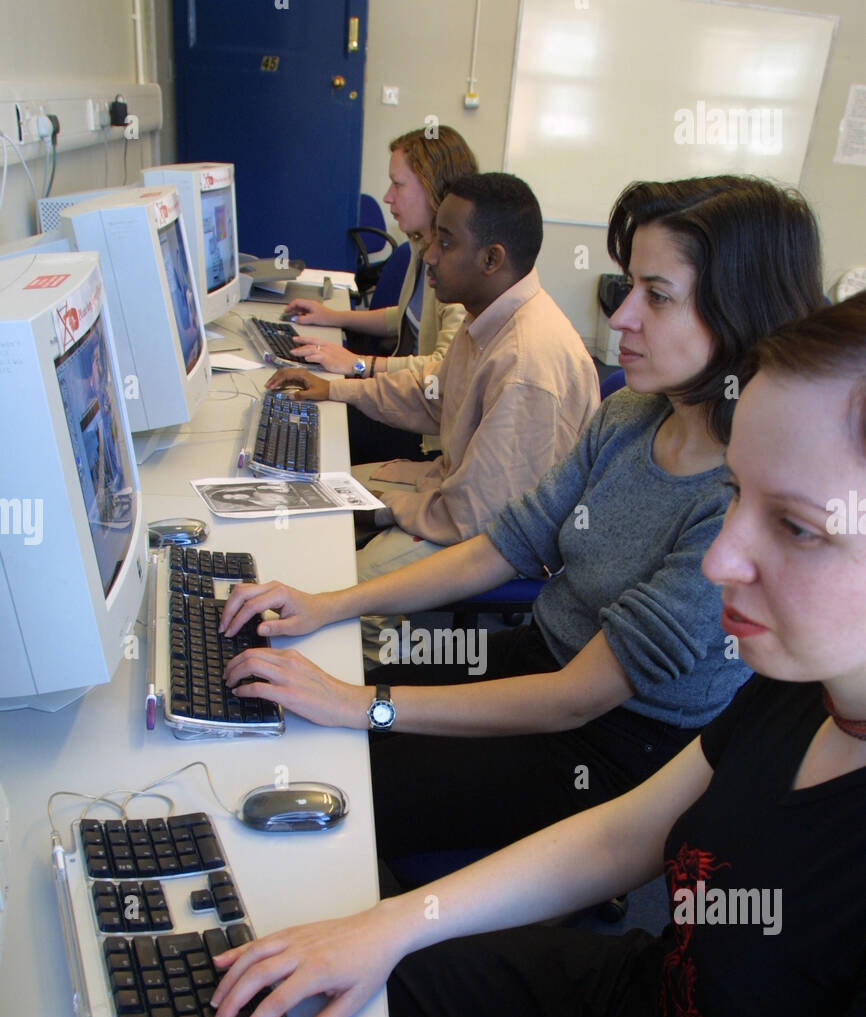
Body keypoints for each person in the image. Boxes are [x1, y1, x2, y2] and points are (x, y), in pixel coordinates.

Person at [209, 292, 866, 1017]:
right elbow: (623, 834)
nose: (722, 555)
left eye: (794, 526)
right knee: (313, 988)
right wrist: (389, 923)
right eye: (735, 496)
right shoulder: (799, 686)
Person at [220, 177, 824, 863]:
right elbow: (505, 544)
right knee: (322, 674)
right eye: (630, 287)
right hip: (537, 652)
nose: (621, 316)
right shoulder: (631, 417)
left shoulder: (734, 502)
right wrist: (325, 605)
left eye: (655, 297)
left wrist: (365, 705)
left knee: (347, 775)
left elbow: (572, 701)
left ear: (739, 312)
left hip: (608, 741)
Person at [266, 172, 600, 647]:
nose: (429, 255)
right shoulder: (486, 315)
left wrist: (385, 510)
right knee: (314, 491)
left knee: (333, 597)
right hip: (452, 493)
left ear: (492, 258)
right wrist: (335, 390)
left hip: (488, 539)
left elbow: (478, 519)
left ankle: (337, 697)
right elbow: (433, 397)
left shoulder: (527, 361)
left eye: (445, 243)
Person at [282, 126, 477, 465]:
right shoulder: (420, 244)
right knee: (303, 415)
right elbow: (400, 316)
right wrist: (331, 316)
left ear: (432, 189)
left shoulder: (457, 271)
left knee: (313, 430)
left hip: (424, 432)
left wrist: (358, 364)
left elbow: (441, 368)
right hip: (403, 398)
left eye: (398, 185)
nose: (387, 197)